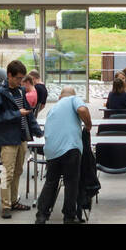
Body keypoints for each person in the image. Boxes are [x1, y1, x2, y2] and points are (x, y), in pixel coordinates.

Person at [0, 59, 41, 219]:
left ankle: (13, 200)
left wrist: (36, 130)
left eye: (22, 79)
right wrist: (18, 114)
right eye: (18, 78)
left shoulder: (20, 91)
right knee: (6, 173)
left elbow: (29, 112)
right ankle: (5, 205)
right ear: (9, 75)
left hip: (21, 137)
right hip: (8, 139)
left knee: (18, 171)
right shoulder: (0, 93)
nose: (20, 82)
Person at [35, 86, 91, 224]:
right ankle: (68, 217)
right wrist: (88, 125)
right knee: (71, 183)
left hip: (51, 150)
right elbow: (82, 110)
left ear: (59, 97)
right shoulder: (73, 99)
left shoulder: (52, 109)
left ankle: (41, 215)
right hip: (70, 148)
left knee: (51, 182)